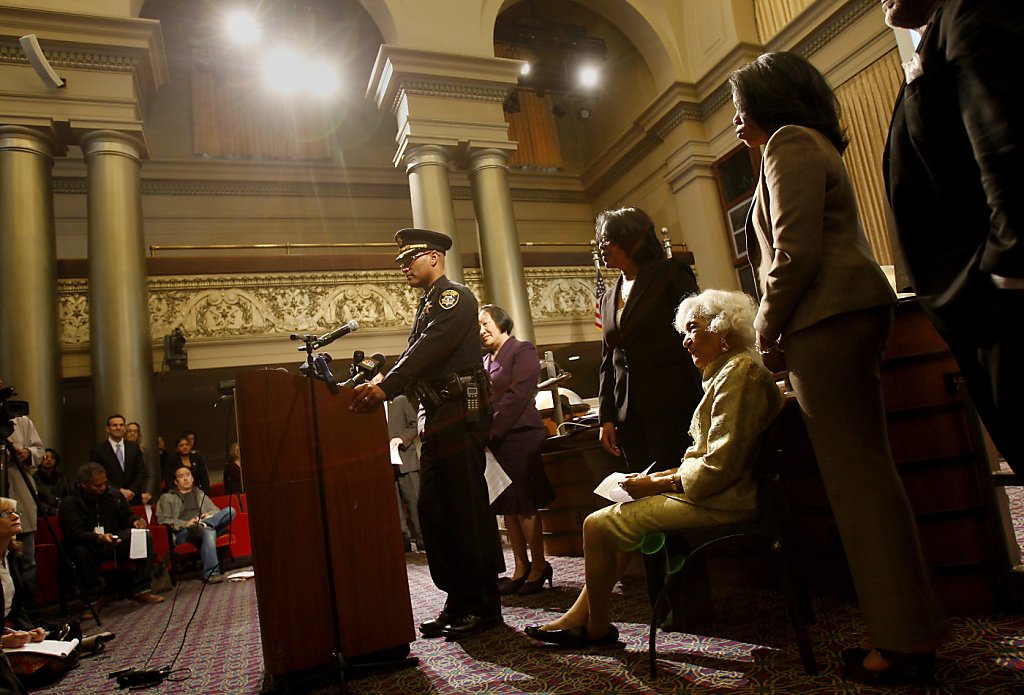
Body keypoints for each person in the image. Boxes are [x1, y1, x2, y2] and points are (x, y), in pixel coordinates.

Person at [730, 50, 949, 684]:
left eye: (740, 102)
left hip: (824, 321)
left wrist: (766, 327)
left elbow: (792, 254)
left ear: (769, 100)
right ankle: (913, 628)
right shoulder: (808, 141)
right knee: (870, 478)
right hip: (840, 316)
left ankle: (901, 645)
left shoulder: (789, 142)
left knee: (857, 486)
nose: (737, 118)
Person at [525, 289, 785, 647]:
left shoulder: (739, 374)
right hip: (716, 492)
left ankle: (596, 628)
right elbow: (710, 461)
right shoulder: (728, 372)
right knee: (620, 516)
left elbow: (718, 468)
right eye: (684, 333)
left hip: (726, 498)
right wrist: (655, 480)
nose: (686, 342)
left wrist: (655, 484)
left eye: (693, 329)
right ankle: (581, 617)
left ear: (723, 329)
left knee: (596, 525)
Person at [883, 0, 1024, 480]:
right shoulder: (943, 28)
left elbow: (1006, 145)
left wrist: (1005, 279)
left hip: (1007, 306)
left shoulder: (971, 13)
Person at [350, 228, 503, 639]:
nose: (403, 267)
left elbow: (429, 349)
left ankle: (484, 605)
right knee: (437, 512)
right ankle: (458, 599)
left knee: (465, 508)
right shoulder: (429, 304)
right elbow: (419, 354)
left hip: (461, 408)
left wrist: (388, 385)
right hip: (439, 413)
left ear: (434, 256)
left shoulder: (454, 297)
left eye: (410, 258)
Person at [594, 208, 704, 612]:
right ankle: (662, 599)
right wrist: (607, 415)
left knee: (672, 503)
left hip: (671, 403)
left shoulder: (670, 273)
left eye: (607, 240)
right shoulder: (608, 295)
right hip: (629, 414)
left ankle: (690, 599)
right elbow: (609, 358)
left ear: (631, 239)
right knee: (641, 508)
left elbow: (693, 332)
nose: (602, 249)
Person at [479, 304, 555, 596]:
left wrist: (491, 429)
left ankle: (539, 565)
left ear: (501, 323)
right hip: (496, 439)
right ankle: (520, 567)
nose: (482, 331)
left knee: (524, 502)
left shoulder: (521, 350)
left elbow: (518, 394)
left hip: (521, 434)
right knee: (506, 505)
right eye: (479, 328)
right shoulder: (484, 361)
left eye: (486, 324)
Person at [57, 463, 165, 617]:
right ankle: (93, 599)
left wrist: (135, 521)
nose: (102, 488)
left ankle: (141, 589)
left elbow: (128, 516)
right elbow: (74, 533)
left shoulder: (114, 495)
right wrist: (98, 538)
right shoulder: (69, 503)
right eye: (97, 486)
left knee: (143, 536)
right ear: (84, 485)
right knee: (79, 551)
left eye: (104, 483)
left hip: (115, 539)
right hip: (90, 544)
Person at [372, 364, 424, 553]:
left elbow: (413, 425)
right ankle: (403, 541)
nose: (377, 384)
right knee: (393, 506)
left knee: (414, 501)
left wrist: (400, 439)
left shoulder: (401, 401)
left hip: (405, 460)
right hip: (383, 464)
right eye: (373, 382)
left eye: (380, 381)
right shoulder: (371, 409)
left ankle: (422, 539)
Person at [156, 466, 236, 583]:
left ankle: (204, 525)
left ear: (192, 478)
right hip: (185, 531)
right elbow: (163, 520)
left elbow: (216, 510)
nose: (185, 479)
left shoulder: (200, 494)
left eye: (188, 475)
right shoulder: (167, 498)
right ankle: (212, 573)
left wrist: (208, 515)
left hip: (202, 526)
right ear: (175, 482)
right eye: (181, 476)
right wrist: (186, 523)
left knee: (230, 511)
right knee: (208, 531)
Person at [0, 498, 38, 695]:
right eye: (6, 514)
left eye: (15, 512)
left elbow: (16, 607)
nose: (15, 516)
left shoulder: (11, 556)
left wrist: (29, 633)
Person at [89, 414, 151, 505]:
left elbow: (142, 473)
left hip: (133, 498)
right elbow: (97, 475)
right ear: (107, 429)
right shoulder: (98, 450)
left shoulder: (134, 448)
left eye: (121, 425)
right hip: (110, 499)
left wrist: (132, 491)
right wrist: (119, 491)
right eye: (114, 425)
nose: (118, 428)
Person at [125, 422, 159, 502]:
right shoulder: (120, 452)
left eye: (135, 431)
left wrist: (148, 492)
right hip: (127, 492)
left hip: (144, 492)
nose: (132, 433)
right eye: (129, 431)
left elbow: (150, 474)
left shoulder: (144, 452)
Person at [33, 448, 70, 516]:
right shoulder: (34, 479)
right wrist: (50, 510)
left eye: (52, 457)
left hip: (61, 513)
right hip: (42, 515)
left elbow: (67, 496)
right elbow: (34, 500)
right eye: (46, 457)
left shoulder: (62, 479)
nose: (49, 459)